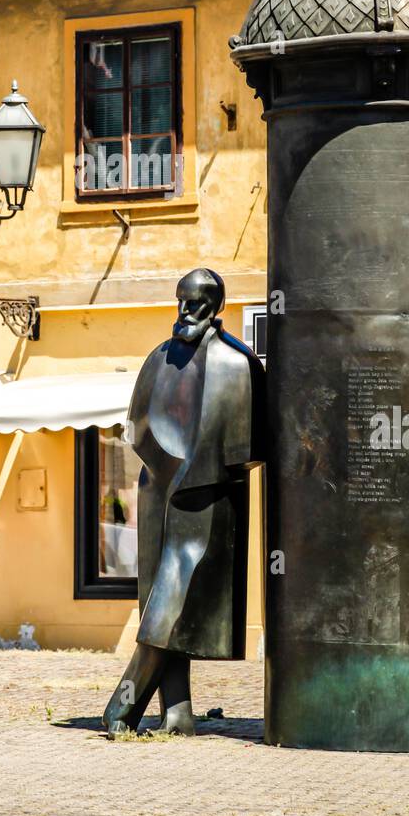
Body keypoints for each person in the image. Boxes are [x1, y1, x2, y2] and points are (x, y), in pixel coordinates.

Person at [102, 268, 265, 736]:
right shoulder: (159, 358)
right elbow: (135, 424)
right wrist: (162, 465)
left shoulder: (238, 362)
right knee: (158, 597)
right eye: (180, 301)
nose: (184, 313)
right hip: (157, 489)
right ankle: (177, 712)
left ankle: (124, 705)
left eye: (195, 304)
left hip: (207, 495)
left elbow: (249, 444)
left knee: (172, 603)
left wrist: (197, 469)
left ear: (214, 307)